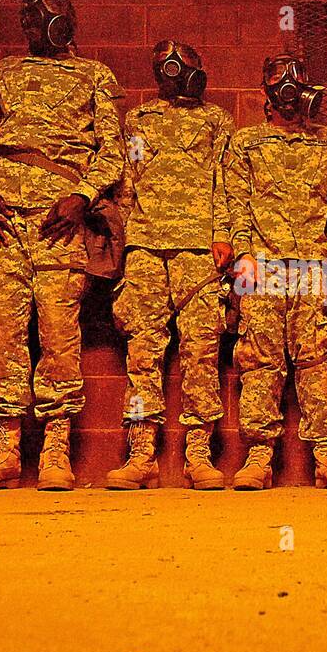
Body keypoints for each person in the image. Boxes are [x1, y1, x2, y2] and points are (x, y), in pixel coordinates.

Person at [0, 0, 126, 490]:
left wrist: (83, 195)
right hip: (3, 221)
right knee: (2, 329)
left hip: (61, 221)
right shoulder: (1, 73)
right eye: (28, 21)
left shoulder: (94, 74)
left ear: (68, 22)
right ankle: (5, 448)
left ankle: (56, 449)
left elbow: (112, 152)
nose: (36, 29)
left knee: (58, 330)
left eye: (46, 20)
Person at [223, 54, 327, 490]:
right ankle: (258, 458)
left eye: (294, 79)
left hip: (314, 265)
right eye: (276, 79)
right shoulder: (246, 143)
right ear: (265, 89)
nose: (286, 86)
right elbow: (235, 200)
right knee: (260, 362)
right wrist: (242, 252)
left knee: (318, 360)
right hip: (262, 267)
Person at [105, 41, 233, 490]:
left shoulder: (216, 119)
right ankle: (142, 453)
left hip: (199, 248)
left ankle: (199, 453)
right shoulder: (138, 119)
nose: (175, 73)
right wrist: (125, 239)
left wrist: (222, 233)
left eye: (184, 65)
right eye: (166, 66)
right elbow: (127, 183)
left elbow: (225, 180)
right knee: (143, 350)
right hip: (146, 245)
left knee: (201, 349)